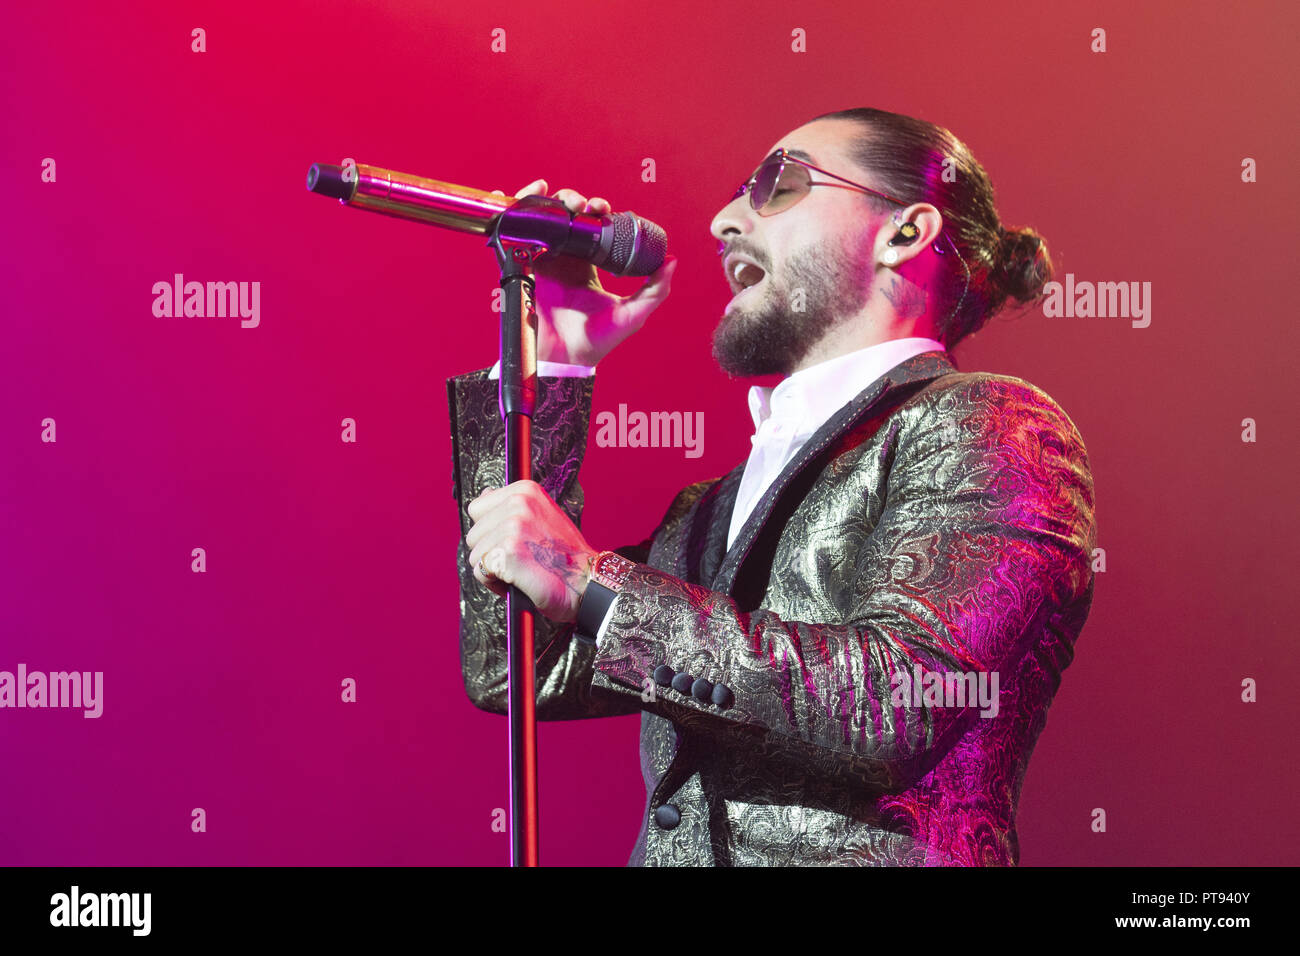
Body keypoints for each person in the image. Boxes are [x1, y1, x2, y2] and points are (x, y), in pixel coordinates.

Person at [448, 107, 1097, 866]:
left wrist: (594, 584)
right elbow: (516, 670)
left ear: (904, 233)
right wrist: (555, 362)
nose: (724, 220)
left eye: (775, 185)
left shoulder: (993, 424)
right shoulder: (708, 509)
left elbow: (903, 699)